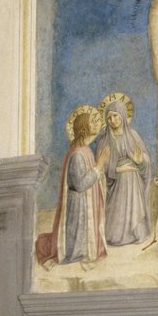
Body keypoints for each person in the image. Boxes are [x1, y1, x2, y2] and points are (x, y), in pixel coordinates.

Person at [35, 106, 107, 269]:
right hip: (78, 206)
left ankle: (86, 251)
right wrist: (98, 167)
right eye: (92, 122)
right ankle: (75, 253)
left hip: (85, 204)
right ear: (84, 128)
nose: (96, 124)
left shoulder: (86, 150)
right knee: (76, 242)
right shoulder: (77, 154)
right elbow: (80, 184)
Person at [95, 94, 152, 246]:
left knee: (131, 174)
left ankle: (135, 232)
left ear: (123, 116)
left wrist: (139, 160)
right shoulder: (104, 140)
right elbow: (100, 167)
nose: (112, 120)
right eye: (109, 118)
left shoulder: (133, 135)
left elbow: (145, 159)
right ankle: (117, 235)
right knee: (127, 175)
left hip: (133, 183)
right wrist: (118, 169)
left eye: (115, 116)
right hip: (115, 184)